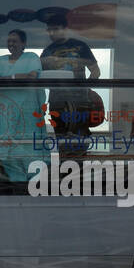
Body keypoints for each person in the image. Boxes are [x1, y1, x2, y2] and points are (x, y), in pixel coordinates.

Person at [40, 13, 100, 159]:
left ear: (65, 28)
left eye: (55, 29)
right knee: (62, 140)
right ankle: (65, 174)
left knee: (80, 138)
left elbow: (95, 71)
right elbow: (41, 76)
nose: (52, 33)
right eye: (49, 30)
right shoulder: (47, 52)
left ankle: (81, 174)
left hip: (80, 102)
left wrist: (86, 90)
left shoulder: (80, 46)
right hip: (58, 102)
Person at [0, 29, 43, 183]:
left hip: (27, 110)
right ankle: (17, 183)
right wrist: (17, 77)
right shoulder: (1, 59)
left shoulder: (31, 57)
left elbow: (32, 77)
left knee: (28, 146)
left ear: (23, 43)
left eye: (15, 41)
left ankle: (33, 183)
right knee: (7, 148)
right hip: (6, 111)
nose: (11, 44)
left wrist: (8, 78)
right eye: (9, 41)